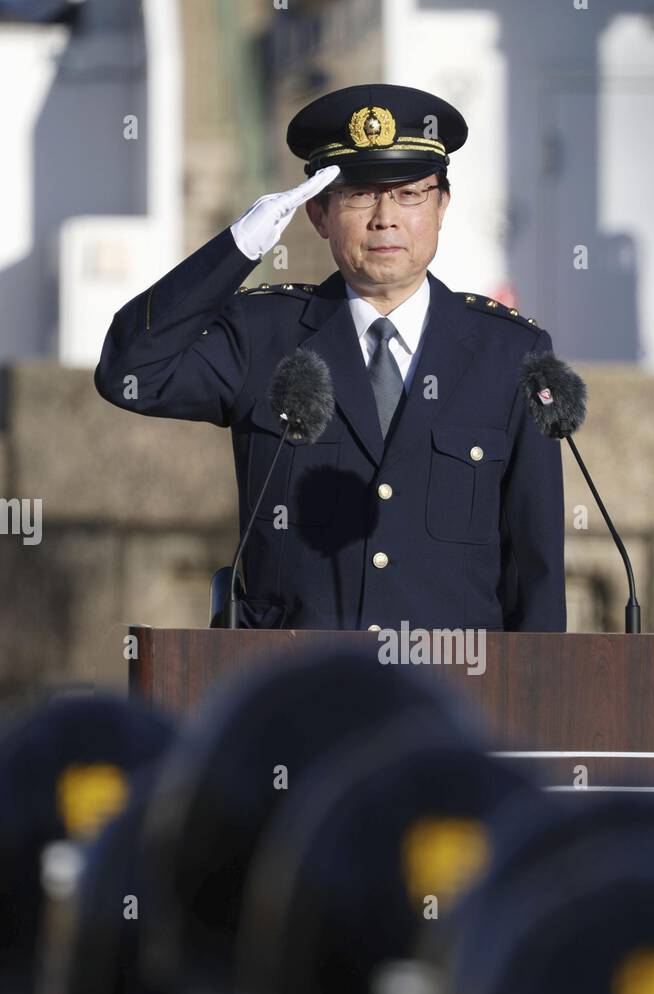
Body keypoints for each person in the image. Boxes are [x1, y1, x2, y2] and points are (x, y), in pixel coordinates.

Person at [94, 84, 566, 633]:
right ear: (318, 214)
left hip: (450, 698)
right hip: (297, 692)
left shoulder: (509, 355)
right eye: (360, 194)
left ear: (442, 207)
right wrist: (239, 247)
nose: (385, 218)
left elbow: (536, 570)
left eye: (410, 194)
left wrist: (537, 709)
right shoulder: (263, 336)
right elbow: (130, 371)